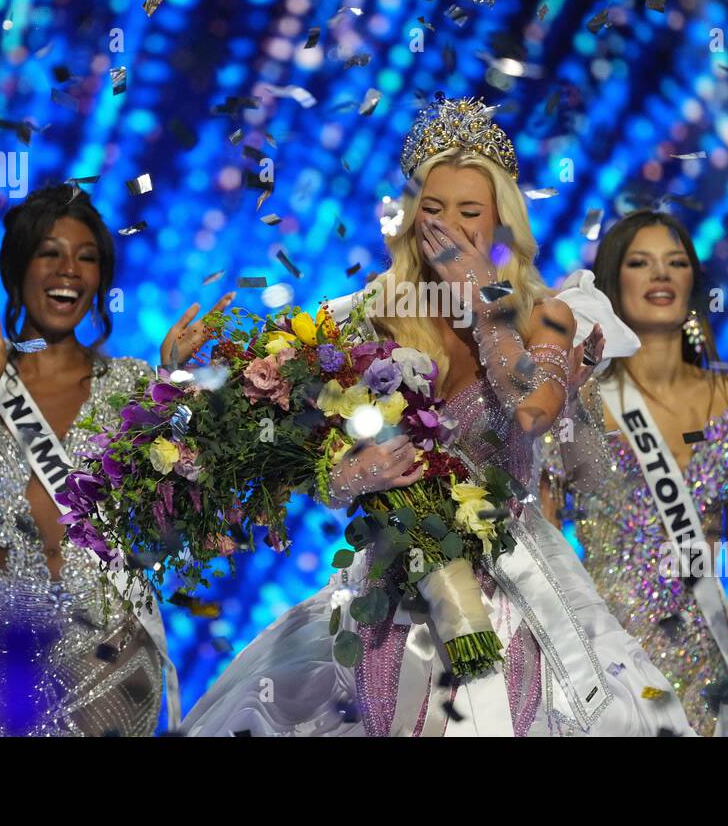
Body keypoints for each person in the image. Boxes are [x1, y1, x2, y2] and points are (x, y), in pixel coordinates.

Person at [183, 94, 694, 736]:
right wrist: (353, 477)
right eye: (433, 208)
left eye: (469, 212)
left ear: (501, 224)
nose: (447, 227)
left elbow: (533, 410)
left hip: (509, 587)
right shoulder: (368, 314)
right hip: (386, 592)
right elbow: (309, 457)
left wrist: (486, 303)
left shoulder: (554, 314)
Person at [0, 185, 224, 735]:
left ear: (100, 280)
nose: (69, 271)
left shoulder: (135, 385)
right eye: (50, 253)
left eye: (86, 258)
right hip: (11, 653)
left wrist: (174, 385)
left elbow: (169, 529)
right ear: (18, 268)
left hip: (112, 657)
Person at [541, 210, 728, 736]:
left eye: (675, 263)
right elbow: (544, 530)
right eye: (641, 263)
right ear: (614, 281)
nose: (661, 275)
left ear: (693, 281)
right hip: (604, 655)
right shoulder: (581, 398)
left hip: (706, 656)